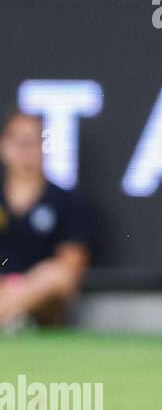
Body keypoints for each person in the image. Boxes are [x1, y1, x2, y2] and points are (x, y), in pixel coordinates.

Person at [0, 110, 91, 331]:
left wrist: (20, 288)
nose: (26, 150)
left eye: (32, 141)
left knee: (56, 275)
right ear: (4, 146)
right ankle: (10, 318)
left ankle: (12, 315)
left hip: (42, 299)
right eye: (18, 141)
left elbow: (71, 265)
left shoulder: (65, 200)